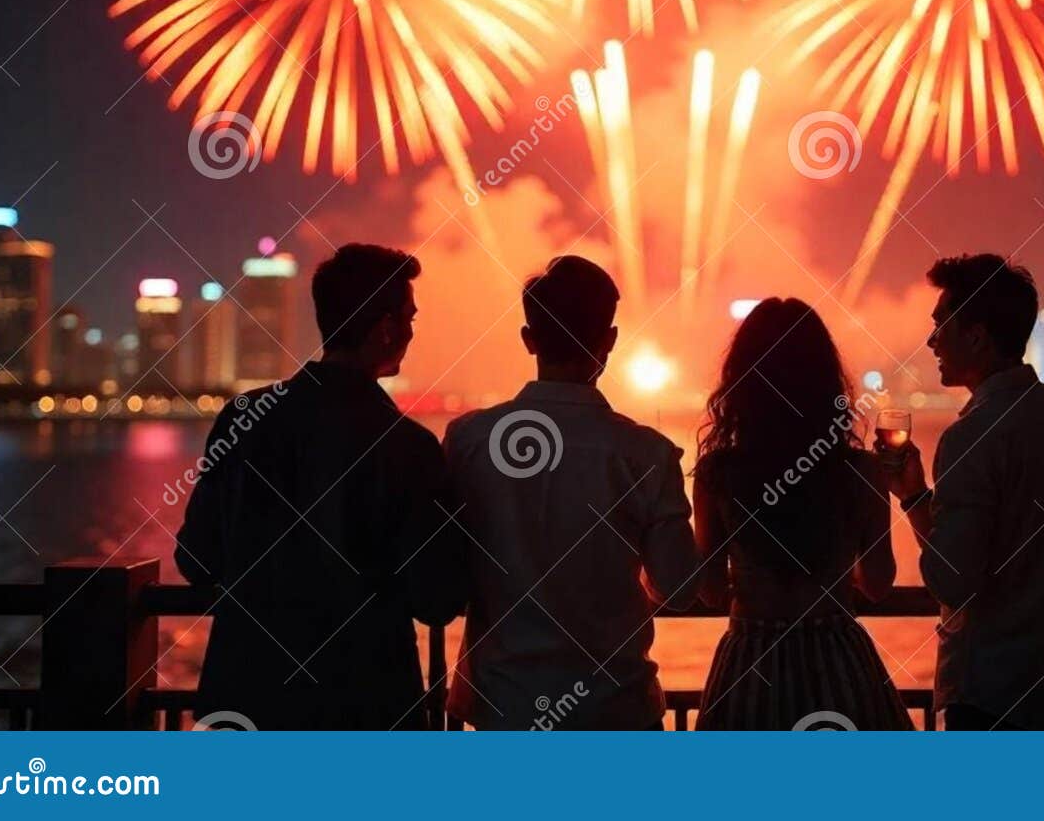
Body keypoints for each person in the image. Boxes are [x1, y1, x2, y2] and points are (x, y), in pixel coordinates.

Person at [175, 243, 465, 730]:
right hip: (366, 714)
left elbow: (195, 560)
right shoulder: (409, 447)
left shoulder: (245, 418)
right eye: (409, 318)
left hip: (245, 701)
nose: (413, 331)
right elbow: (437, 600)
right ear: (386, 327)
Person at [444, 255, 699, 730]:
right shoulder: (646, 454)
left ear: (529, 339)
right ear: (611, 340)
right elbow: (681, 589)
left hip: (504, 706)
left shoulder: (468, 441)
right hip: (614, 708)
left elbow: (447, 574)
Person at [879, 254, 1044, 730]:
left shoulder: (971, 436)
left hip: (997, 695)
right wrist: (918, 497)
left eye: (940, 325)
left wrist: (912, 502)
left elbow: (952, 580)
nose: (931, 341)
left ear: (976, 336)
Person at [693, 298, 911, 730]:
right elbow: (879, 582)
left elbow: (711, 590)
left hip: (751, 662)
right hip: (837, 657)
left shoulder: (719, 472)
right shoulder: (859, 470)